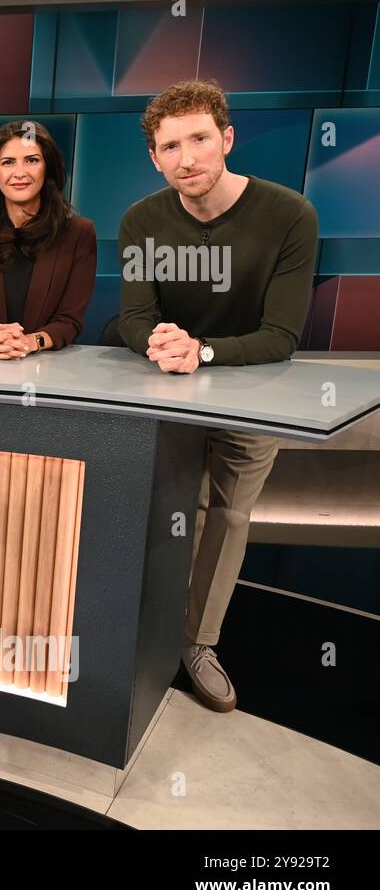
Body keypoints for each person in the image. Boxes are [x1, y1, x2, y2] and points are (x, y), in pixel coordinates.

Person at [118, 79, 318, 713]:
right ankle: (146, 640)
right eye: (170, 146)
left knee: (228, 517)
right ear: (154, 156)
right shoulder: (141, 221)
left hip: (251, 395)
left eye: (200, 139)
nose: (187, 158)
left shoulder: (289, 215)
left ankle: (198, 644)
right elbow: (131, 318)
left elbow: (281, 336)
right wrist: (160, 343)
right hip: (169, 393)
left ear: (227, 138)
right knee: (173, 511)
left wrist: (201, 350)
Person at [0, 120, 96, 358]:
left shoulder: (78, 233)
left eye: (32, 160)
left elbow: (69, 320)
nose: (20, 173)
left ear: (47, 167)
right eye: (8, 162)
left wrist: (30, 342)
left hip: (50, 369)